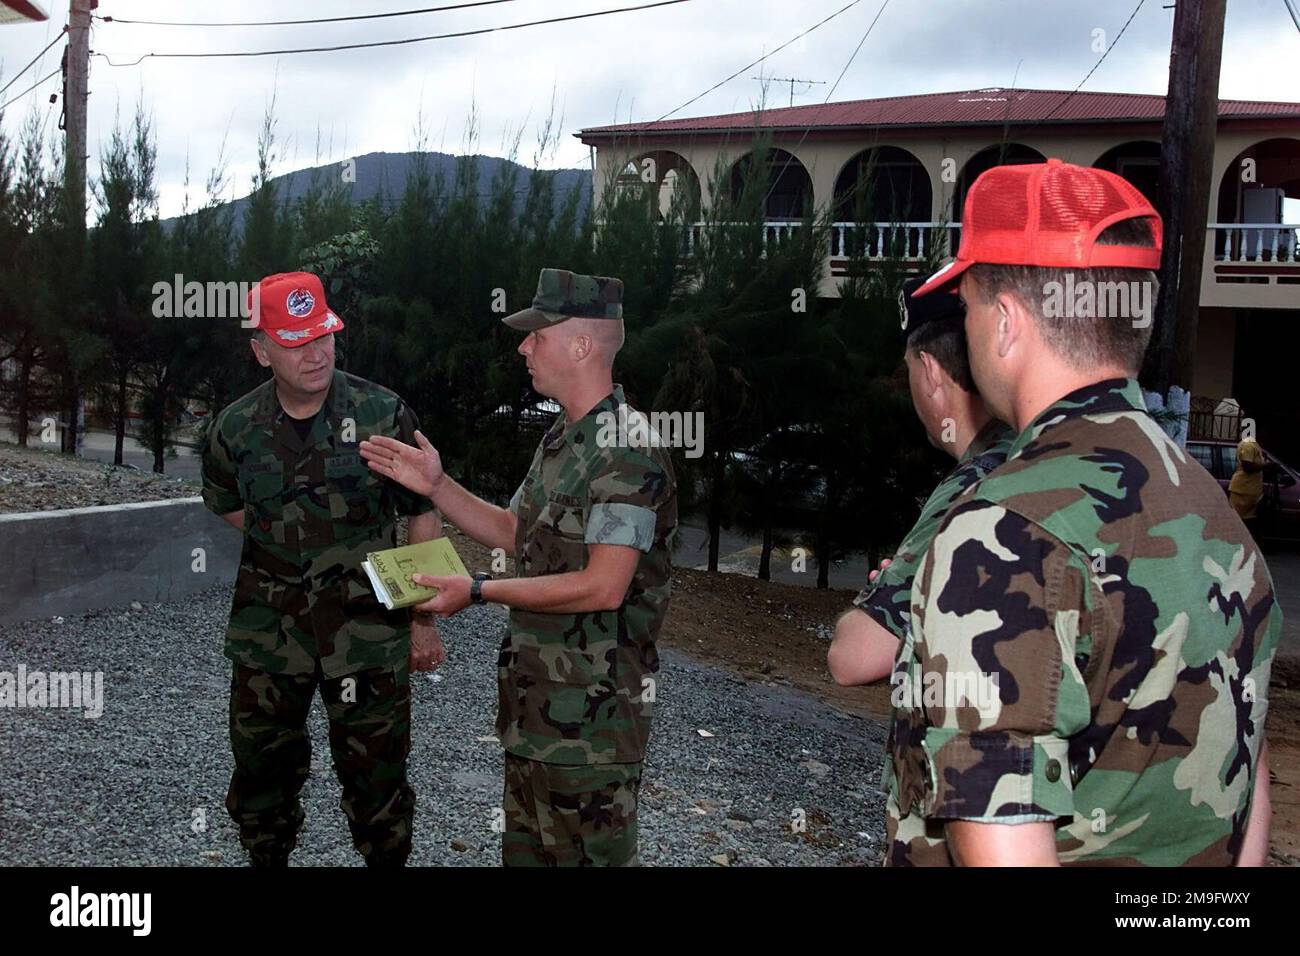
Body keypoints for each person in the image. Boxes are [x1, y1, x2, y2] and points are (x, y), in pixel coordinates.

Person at [887, 159, 1281, 866]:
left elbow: (1000, 839)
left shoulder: (1003, 530)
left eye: (971, 306)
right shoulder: (1211, 507)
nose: (969, 330)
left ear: (1005, 323)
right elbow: (1252, 787)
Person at [360, 268, 677, 866]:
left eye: (538, 334)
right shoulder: (566, 437)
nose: (523, 346)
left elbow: (603, 586)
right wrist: (437, 485)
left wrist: (477, 590)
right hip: (537, 715)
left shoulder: (629, 450)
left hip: (592, 729)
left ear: (582, 344)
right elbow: (513, 531)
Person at [201, 271, 444, 867]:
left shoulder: (383, 414)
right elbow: (228, 504)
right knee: (263, 778)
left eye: (324, 335)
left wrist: (421, 619)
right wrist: (293, 548)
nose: (316, 353)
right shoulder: (233, 430)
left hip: (366, 635)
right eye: (295, 341)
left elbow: (422, 513)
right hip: (269, 635)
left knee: (378, 784)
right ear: (261, 350)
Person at [828, 276, 1012, 687]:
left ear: (929, 370)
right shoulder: (1034, 448)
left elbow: (853, 656)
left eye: (908, 367)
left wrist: (894, 597)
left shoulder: (977, 481)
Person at [1229, 436, 1268, 538]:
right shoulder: (1248, 445)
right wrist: (1266, 466)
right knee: (1238, 522)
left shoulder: (1254, 445)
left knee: (1247, 522)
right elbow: (1248, 467)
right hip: (1242, 491)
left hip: (1250, 491)